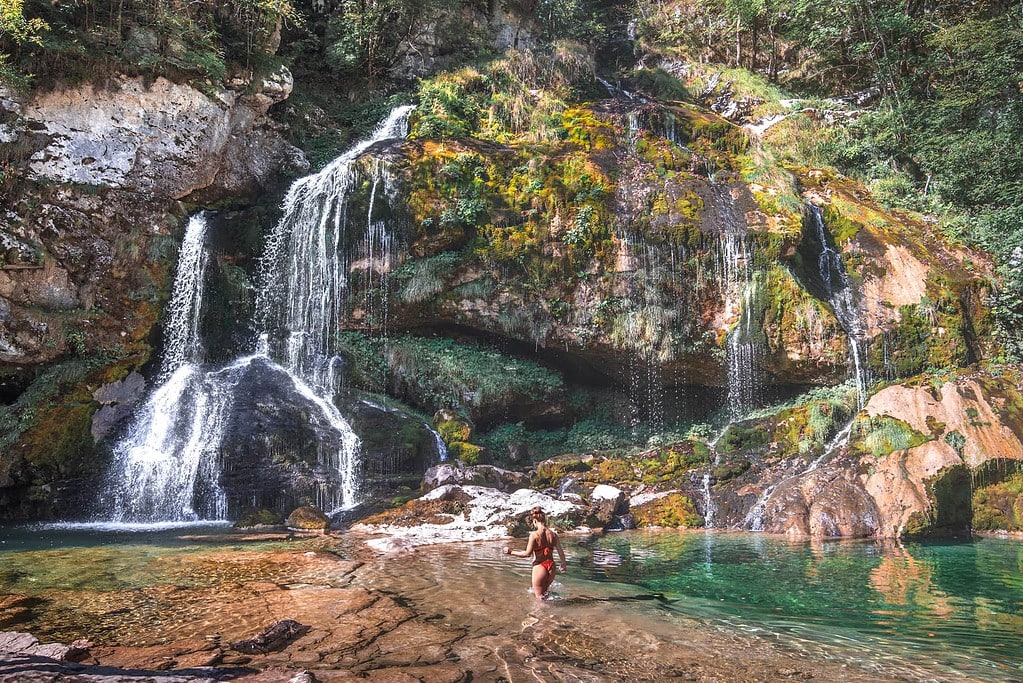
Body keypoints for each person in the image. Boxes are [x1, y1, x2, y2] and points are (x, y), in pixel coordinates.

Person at [503, 506, 567, 599]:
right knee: (545, 594)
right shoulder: (553, 535)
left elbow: (527, 554)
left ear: (534, 521)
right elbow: (561, 552)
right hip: (552, 566)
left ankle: (542, 609)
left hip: (540, 566)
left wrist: (510, 552)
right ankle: (552, 609)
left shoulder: (534, 535)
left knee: (539, 598)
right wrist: (563, 564)